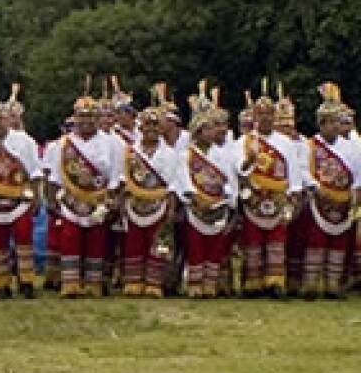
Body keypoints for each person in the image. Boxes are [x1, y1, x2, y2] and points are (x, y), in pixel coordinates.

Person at [43, 90, 124, 298]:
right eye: (82, 117)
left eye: (90, 116)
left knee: (96, 241)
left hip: (99, 200)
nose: (86, 121)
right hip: (70, 200)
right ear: (75, 118)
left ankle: (93, 284)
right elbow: (54, 176)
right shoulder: (63, 144)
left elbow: (117, 174)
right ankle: (70, 283)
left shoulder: (111, 142)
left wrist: (115, 199)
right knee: (70, 239)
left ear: (97, 119)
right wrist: (51, 200)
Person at [238, 84, 311, 297]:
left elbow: (293, 170)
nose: (266, 119)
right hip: (254, 196)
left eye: (270, 114)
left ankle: (275, 282)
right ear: (254, 116)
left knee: (277, 241)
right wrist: (248, 161)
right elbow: (239, 170)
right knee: (252, 240)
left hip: (279, 197)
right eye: (261, 115)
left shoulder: (285, 143)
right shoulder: (244, 141)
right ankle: (253, 283)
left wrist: (295, 194)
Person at [0, 92, 44, 298]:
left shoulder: (24, 141)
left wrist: (37, 198)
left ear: (7, 118)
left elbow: (35, 172)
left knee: (24, 240)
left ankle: (27, 282)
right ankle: (0, 284)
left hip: (21, 198)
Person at [120, 98, 187, 297]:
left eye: (155, 125)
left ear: (161, 128)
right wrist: (122, 202)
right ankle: (133, 282)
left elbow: (174, 185)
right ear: (140, 127)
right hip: (134, 204)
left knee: (157, 244)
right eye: (147, 124)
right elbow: (124, 180)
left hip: (159, 203)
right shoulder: (131, 152)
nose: (151, 129)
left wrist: (172, 208)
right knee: (133, 242)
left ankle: (154, 284)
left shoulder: (170, 154)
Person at [302, 83, 359, 299]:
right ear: (322, 124)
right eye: (332, 122)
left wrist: (355, 195)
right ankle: (311, 286)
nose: (337, 126)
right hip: (319, 200)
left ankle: (332, 286)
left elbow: (357, 174)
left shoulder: (350, 147)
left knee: (339, 245)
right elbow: (303, 171)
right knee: (316, 242)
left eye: (339, 122)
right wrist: (317, 189)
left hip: (343, 200)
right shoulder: (309, 146)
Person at [180, 84, 237, 298]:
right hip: (196, 207)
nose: (214, 132)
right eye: (208, 128)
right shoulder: (186, 155)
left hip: (218, 205)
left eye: (214, 128)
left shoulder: (221, 154)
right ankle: (195, 285)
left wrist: (228, 198)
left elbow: (229, 180)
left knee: (216, 246)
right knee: (195, 245)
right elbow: (183, 179)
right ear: (197, 132)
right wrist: (195, 197)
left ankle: (210, 285)